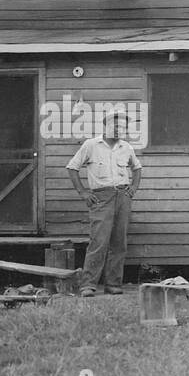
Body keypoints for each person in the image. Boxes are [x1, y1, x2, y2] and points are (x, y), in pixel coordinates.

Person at [66, 110, 142, 297]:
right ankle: (88, 285)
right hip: (101, 198)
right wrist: (83, 193)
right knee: (98, 241)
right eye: (115, 126)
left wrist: (133, 188)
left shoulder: (127, 148)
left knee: (119, 242)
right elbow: (72, 167)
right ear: (105, 126)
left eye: (123, 128)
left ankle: (113, 284)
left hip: (123, 197)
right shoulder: (91, 145)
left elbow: (137, 168)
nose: (118, 130)